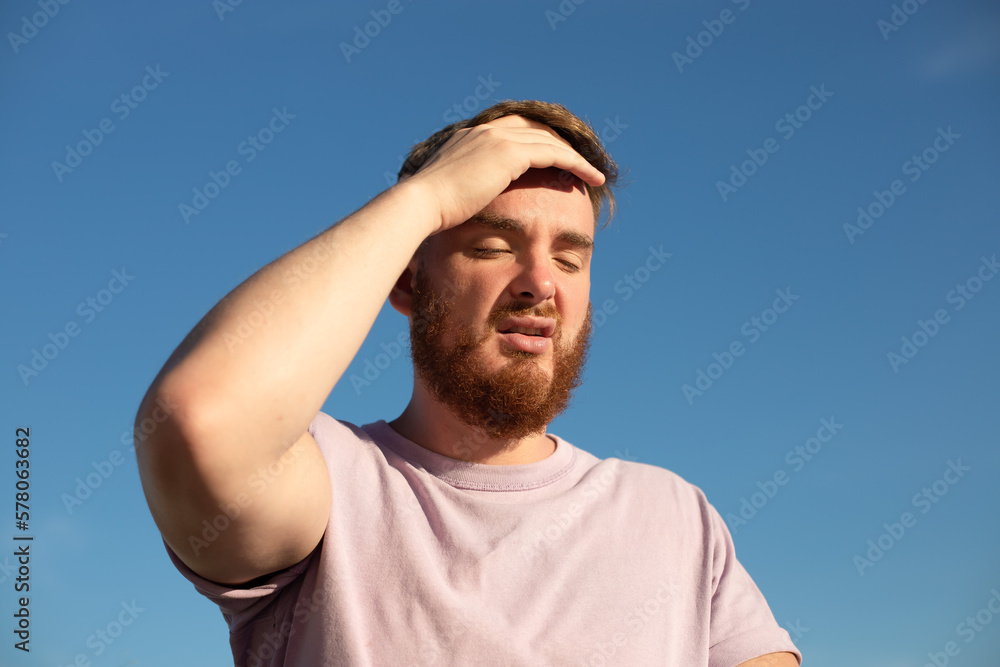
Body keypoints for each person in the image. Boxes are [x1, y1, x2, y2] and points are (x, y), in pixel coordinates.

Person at [134, 99, 802, 666]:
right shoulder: (333, 486)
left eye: (571, 257)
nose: (541, 283)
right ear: (405, 278)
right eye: (491, 246)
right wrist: (424, 199)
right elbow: (197, 418)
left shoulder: (676, 516)